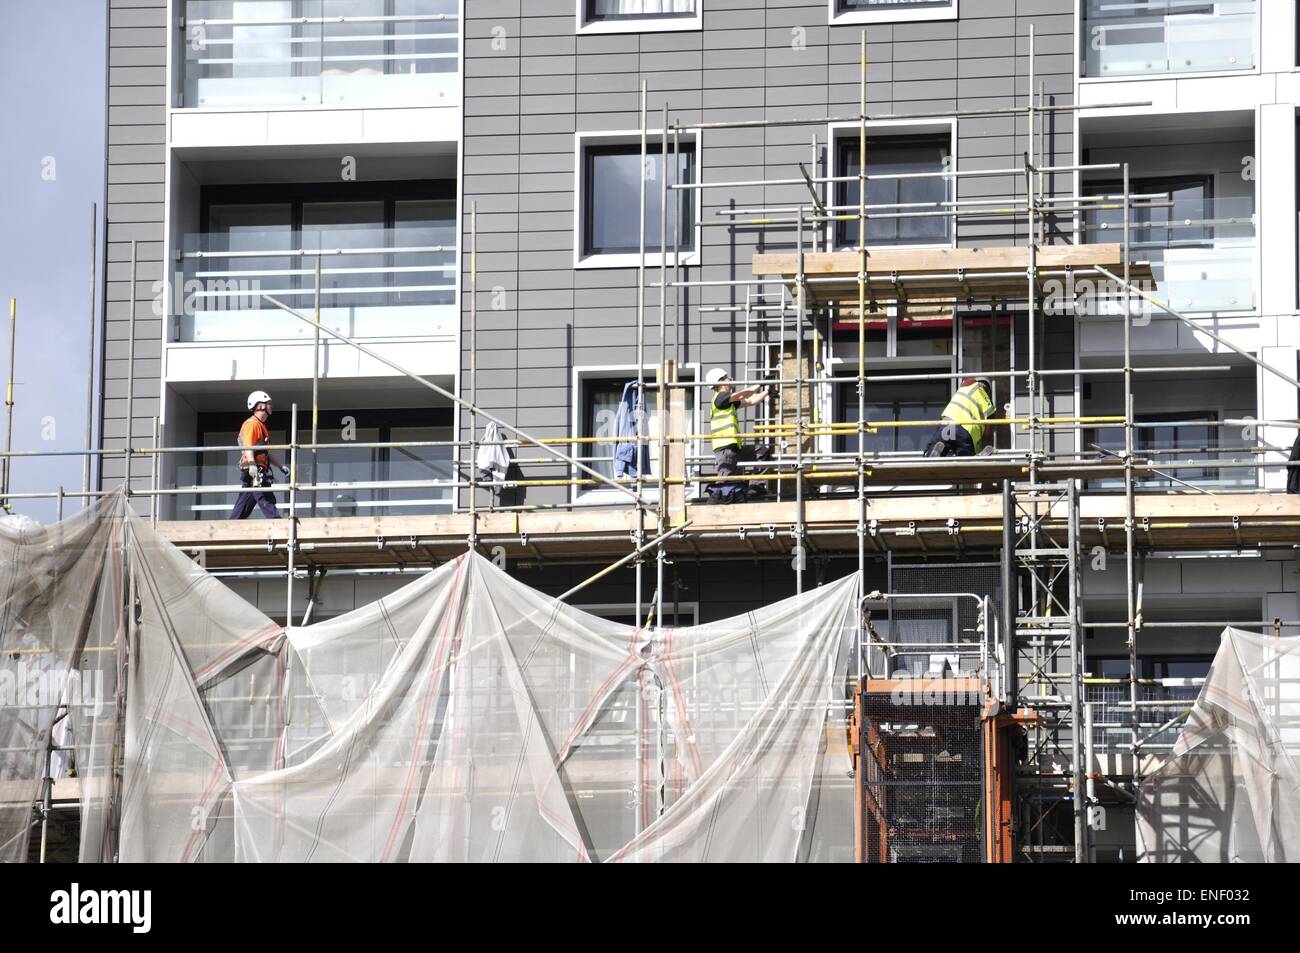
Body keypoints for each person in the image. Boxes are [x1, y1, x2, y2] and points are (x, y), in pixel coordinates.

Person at [706, 367, 773, 503]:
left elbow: (750, 401)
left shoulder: (727, 402)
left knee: (761, 452)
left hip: (735, 448)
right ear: (720, 382)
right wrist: (760, 384)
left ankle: (755, 486)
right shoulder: (720, 399)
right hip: (725, 450)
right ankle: (712, 507)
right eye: (727, 377)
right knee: (724, 486)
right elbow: (743, 395)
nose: (730, 379)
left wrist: (767, 392)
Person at [228, 390, 288, 520]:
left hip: (256, 469)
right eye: (269, 403)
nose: (271, 406)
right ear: (261, 406)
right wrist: (252, 465)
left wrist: (281, 467)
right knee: (265, 497)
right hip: (254, 470)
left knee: (244, 504)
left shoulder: (261, 426)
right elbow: (248, 446)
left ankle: (231, 527)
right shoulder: (252, 424)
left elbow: (266, 453)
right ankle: (276, 523)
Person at [925, 377, 995, 457]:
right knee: (965, 457)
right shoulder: (987, 400)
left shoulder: (965, 387)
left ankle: (934, 454)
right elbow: (987, 433)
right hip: (965, 431)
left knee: (937, 447)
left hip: (947, 425)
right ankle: (975, 458)